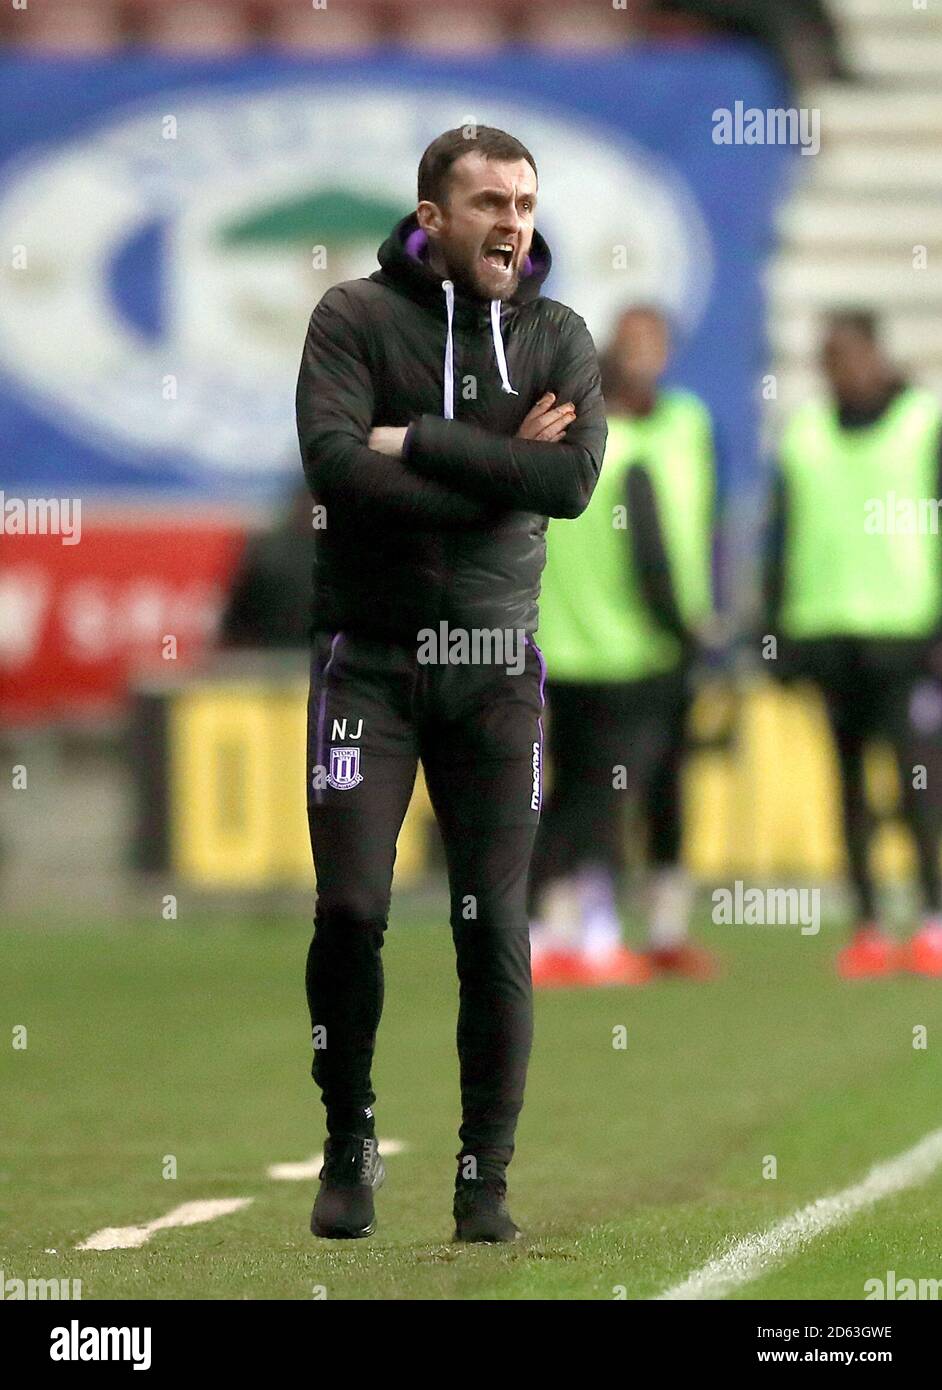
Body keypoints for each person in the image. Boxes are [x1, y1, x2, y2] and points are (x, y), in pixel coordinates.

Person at [296, 127, 606, 1242]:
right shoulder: (352, 319)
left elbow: (566, 481)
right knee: (351, 910)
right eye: (488, 202)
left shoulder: (557, 332)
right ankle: (348, 1138)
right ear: (432, 216)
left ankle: (485, 1180)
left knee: (493, 926)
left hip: (494, 671)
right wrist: (491, 469)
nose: (513, 221)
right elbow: (334, 468)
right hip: (368, 663)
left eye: (525, 199)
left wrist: (418, 440)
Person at [529, 306, 719, 986]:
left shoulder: (556, 461)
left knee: (586, 794)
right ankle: (594, 938)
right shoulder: (627, 459)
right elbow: (651, 560)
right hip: (636, 651)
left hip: (570, 650)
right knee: (608, 798)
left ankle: (558, 934)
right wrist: (687, 630)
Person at [764, 309, 942, 979]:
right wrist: (775, 631)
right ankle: (867, 924)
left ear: (876, 352)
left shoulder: (923, 426)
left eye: (849, 353)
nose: (840, 368)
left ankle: (930, 918)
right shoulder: (805, 436)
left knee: (921, 780)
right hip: (828, 635)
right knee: (848, 785)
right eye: (828, 356)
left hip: (908, 636)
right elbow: (781, 539)